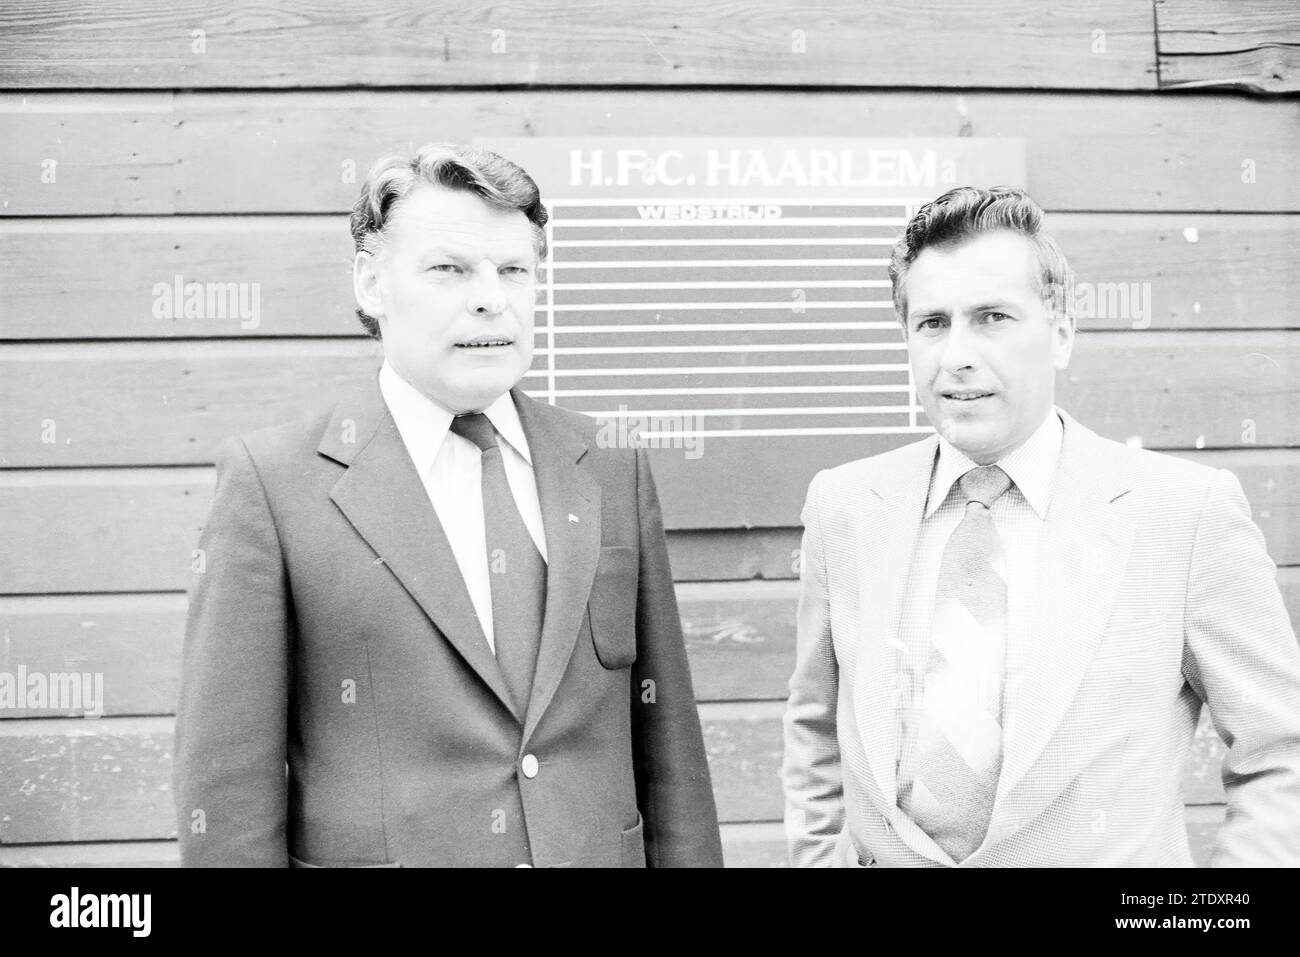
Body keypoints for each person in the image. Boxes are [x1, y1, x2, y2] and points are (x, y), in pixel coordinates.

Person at [174, 143, 722, 868]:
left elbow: (669, 746)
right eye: (450, 269)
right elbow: (228, 795)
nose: (491, 297)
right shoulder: (274, 484)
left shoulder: (609, 462)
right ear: (371, 284)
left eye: (514, 270)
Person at [782, 185, 1300, 867]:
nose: (956, 355)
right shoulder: (844, 507)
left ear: (1060, 332)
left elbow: (1279, 753)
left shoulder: (1184, 514)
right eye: (932, 323)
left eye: (992, 317)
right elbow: (815, 731)